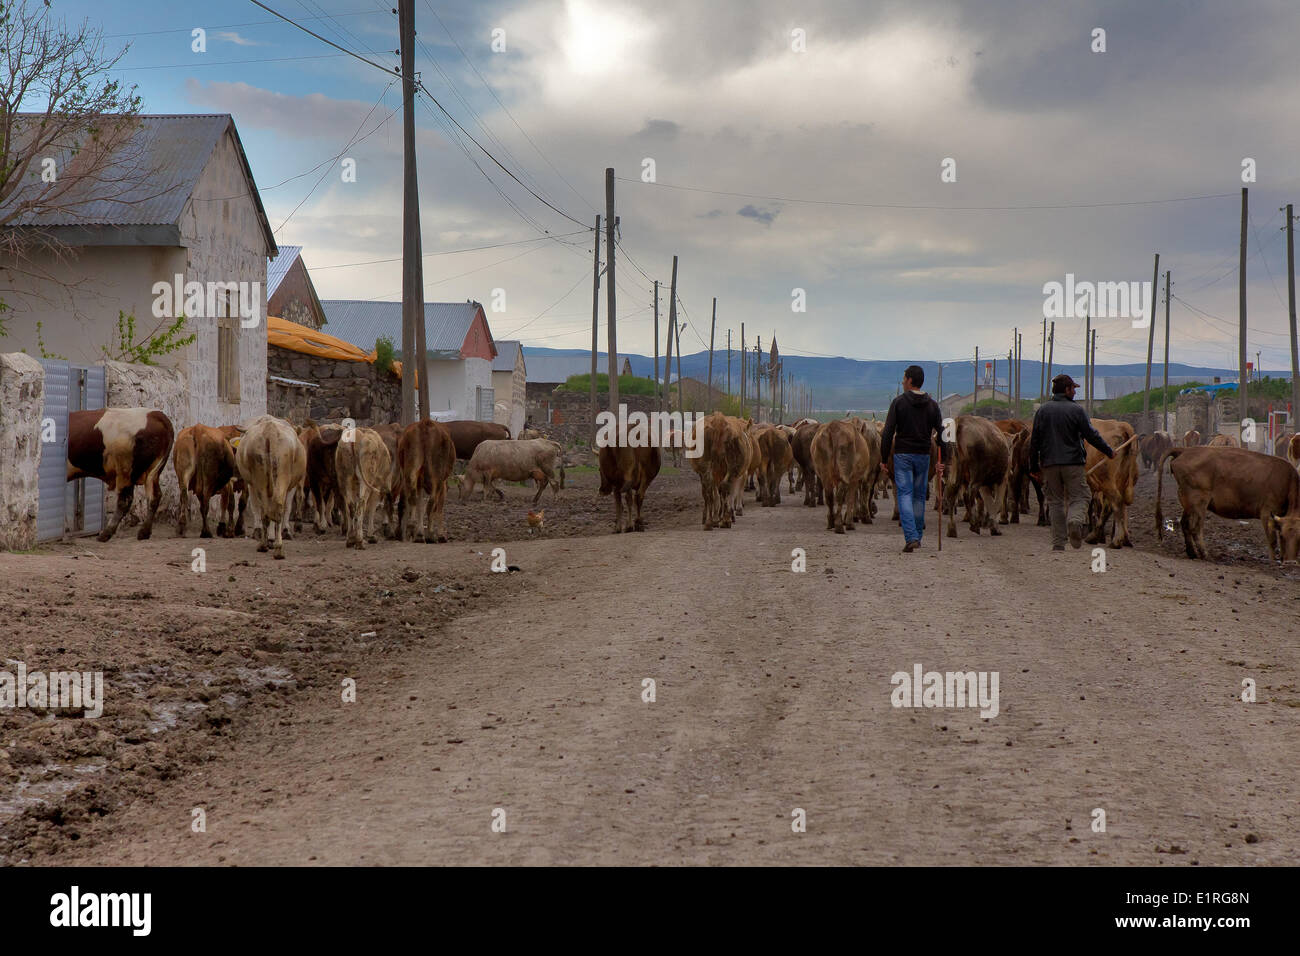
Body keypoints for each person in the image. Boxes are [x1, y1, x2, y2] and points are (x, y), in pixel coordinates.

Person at [1029, 373, 1115, 551]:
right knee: (1081, 496)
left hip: (1049, 464)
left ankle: (1059, 542)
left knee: (1055, 501)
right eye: (1073, 389)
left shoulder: (1042, 411)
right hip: (1073, 464)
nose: (1075, 392)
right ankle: (1075, 522)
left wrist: (1033, 466)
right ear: (1066, 390)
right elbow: (1091, 435)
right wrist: (1108, 451)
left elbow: (1034, 441)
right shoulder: (1077, 410)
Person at [878, 365, 946, 553]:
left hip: (903, 456)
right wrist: (943, 460)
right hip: (924, 456)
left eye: (903, 378)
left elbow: (888, 432)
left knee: (905, 494)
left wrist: (884, 458)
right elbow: (941, 434)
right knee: (919, 495)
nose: (902, 381)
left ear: (909, 380)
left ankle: (911, 537)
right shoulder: (932, 405)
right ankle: (917, 534)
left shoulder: (898, 403)